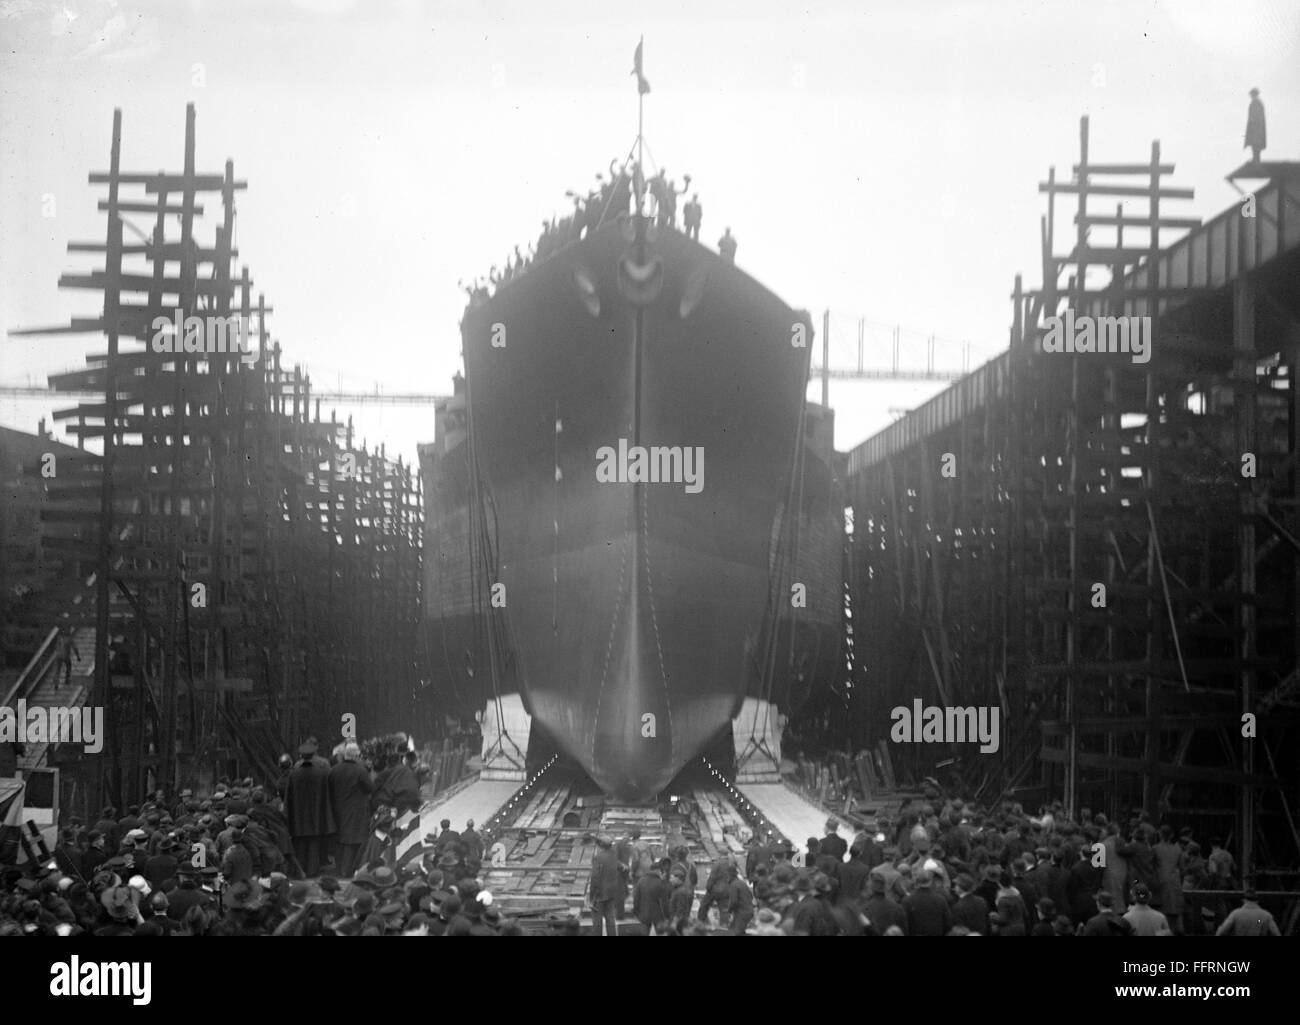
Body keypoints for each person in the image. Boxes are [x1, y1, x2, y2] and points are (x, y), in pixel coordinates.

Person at [284, 739, 335, 876]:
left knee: (300, 844)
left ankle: (301, 870)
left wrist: (288, 815)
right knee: (314, 844)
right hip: (316, 814)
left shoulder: (294, 773)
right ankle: (313, 870)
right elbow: (326, 795)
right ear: (313, 755)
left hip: (298, 815)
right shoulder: (321, 773)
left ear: (301, 756)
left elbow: (288, 796)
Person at [327, 741, 374, 879]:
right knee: (351, 841)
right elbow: (369, 788)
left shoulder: (334, 770)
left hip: (337, 809)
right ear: (356, 755)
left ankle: (338, 869)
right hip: (355, 811)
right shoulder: (360, 770)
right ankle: (347, 871)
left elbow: (329, 788)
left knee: (340, 840)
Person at [588, 833, 622, 936]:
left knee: (597, 922)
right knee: (610, 920)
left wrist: (592, 897)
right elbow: (620, 868)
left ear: (600, 845)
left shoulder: (598, 858)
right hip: (611, 893)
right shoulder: (613, 855)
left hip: (599, 894)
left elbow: (595, 878)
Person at [1215, 889, 1280, 936]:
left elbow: (1221, 932)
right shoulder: (1265, 915)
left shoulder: (1236, 914)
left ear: (1243, 900)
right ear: (1257, 901)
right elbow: (1276, 933)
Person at [631, 858, 671, 935]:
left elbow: (636, 899)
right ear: (658, 870)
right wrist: (667, 916)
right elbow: (664, 903)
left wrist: (636, 912)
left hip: (644, 914)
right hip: (658, 916)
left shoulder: (641, 881)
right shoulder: (661, 883)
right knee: (661, 934)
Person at [1244, 88, 1266, 163]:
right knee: (1255, 146)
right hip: (1256, 129)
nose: (1251, 96)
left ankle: (1256, 161)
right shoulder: (1256, 103)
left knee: (1255, 145)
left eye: (1252, 94)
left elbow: (1256, 118)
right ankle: (1256, 160)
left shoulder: (1256, 103)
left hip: (1256, 130)